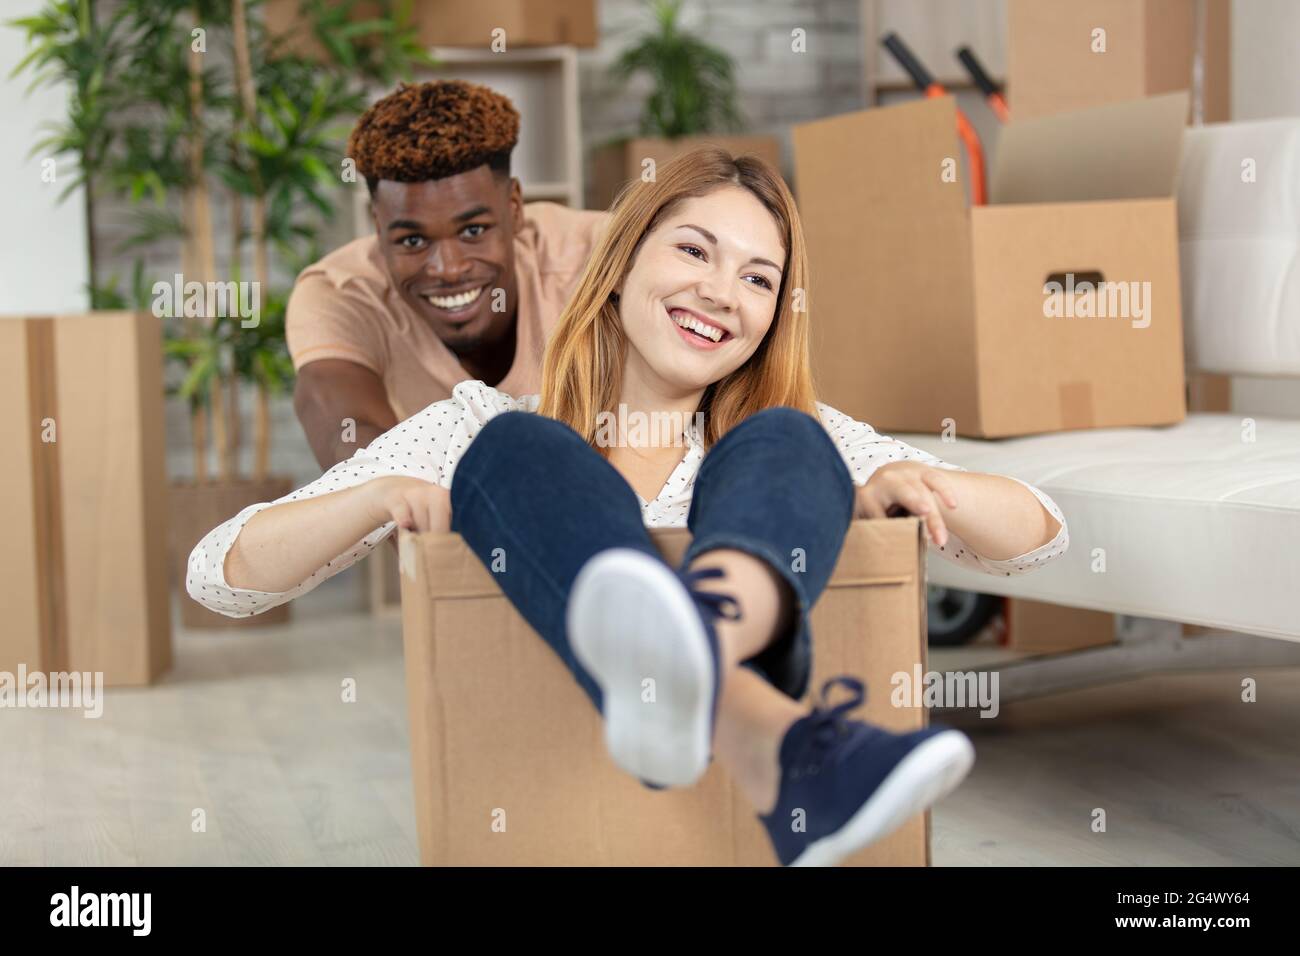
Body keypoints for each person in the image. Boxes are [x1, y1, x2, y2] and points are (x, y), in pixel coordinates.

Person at [188, 147, 1069, 867]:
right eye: (694, 252)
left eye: (759, 279)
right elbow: (221, 574)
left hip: (771, 472)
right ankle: (786, 751)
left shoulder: (790, 444)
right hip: (549, 809)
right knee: (517, 450)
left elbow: (1039, 535)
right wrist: (376, 493)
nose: (724, 293)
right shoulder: (485, 431)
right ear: (618, 268)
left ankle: (695, 655)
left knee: (787, 438)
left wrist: (918, 487)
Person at [287, 79, 607, 471]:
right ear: (377, 225)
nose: (448, 269)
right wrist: (392, 493)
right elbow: (348, 432)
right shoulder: (342, 292)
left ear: (515, 207)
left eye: (473, 231)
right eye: (413, 239)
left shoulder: (599, 257)